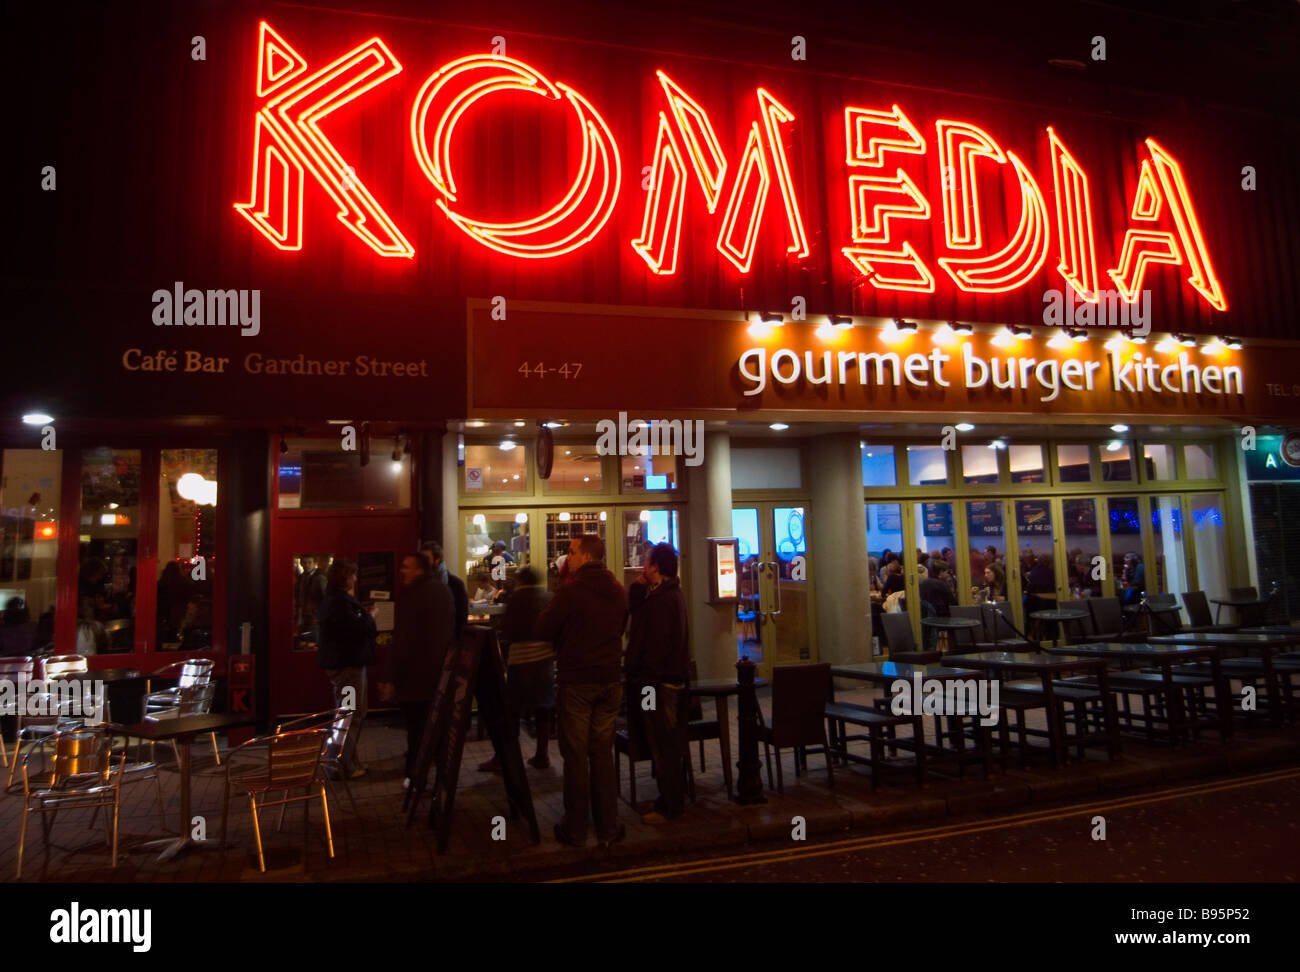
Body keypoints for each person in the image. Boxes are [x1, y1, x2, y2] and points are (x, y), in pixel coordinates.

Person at [536, 534, 628, 848]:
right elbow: (620, 627)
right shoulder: (617, 591)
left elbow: (544, 628)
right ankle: (608, 827)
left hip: (576, 682)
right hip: (610, 681)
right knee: (601, 753)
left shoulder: (571, 592)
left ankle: (575, 828)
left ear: (587, 556)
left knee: (575, 756)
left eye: (572, 552)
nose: (568, 557)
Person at [625, 542, 690, 823]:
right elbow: (635, 605)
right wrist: (640, 584)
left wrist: (645, 678)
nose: (643, 567)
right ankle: (669, 800)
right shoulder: (666, 594)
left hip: (657, 684)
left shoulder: (664, 600)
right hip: (660, 681)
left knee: (662, 742)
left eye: (648, 563)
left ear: (657, 566)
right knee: (662, 741)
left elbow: (658, 645)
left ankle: (670, 806)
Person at [378, 553, 455, 786]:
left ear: (420, 570)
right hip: (440, 675)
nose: (402, 571)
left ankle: (416, 778)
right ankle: (443, 778)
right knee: (439, 731)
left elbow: (403, 639)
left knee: (416, 731)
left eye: (407, 567)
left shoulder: (415, 596)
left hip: (415, 677)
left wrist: (390, 677)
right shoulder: (444, 591)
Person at [479, 566, 554, 772]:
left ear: (520, 581)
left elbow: (508, 630)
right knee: (542, 709)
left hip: (521, 659)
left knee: (512, 711)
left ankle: (506, 757)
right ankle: (542, 754)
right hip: (545, 659)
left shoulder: (516, 599)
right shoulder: (548, 597)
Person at [317, 558, 377, 779]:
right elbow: (356, 629)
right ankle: (341, 764)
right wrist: (370, 617)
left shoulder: (334, 600)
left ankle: (346, 760)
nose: (355, 578)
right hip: (348, 665)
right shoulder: (339, 602)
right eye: (352, 574)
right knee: (350, 713)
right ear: (344, 577)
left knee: (348, 712)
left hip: (345, 663)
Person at [421, 541, 469, 634]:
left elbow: (461, 617)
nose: (423, 562)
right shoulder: (420, 583)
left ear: (437, 559)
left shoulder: (455, 584)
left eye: (426, 558)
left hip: (448, 639)